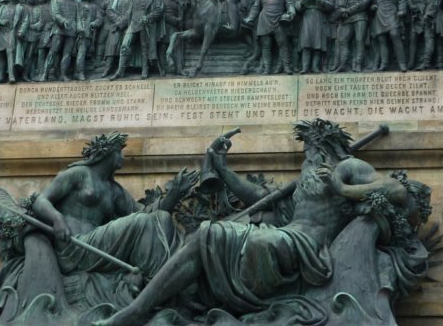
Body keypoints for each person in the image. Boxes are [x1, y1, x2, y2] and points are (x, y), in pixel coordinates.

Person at [94, 120, 417, 326]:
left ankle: (141, 308)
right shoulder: (310, 177)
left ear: (324, 146)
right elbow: (263, 199)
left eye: (309, 149)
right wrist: (222, 170)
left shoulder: (349, 166)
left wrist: (344, 189)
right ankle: (137, 310)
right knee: (205, 236)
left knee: (233, 238)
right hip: (282, 236)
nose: (306, 156)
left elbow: (396, 190)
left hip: (305, 249)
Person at [0, 132, 196, 324]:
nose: (122, 159)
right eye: (119, 153)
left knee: (160, 219)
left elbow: (147, 213)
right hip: (72, 247)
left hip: (93, 248)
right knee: (142, 223)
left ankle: (161, 288)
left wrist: (174, 195)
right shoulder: (78, 174)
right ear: (108, 153)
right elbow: (41, 201)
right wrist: (58, 219)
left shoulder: (114, 191)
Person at [243, 0, 296, 75]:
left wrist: (291, 13)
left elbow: (289, 4)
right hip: (264, 19)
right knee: (265, 46)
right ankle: (267, 68)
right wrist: (250, 18)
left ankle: (286, 67)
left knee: (283, 44)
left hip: (279, 19)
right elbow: (256, 7)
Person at [371, 0, 408, 71]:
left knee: (394, 35)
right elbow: (374, 2)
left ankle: (402, 63)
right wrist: (373, 7)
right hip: (380, 14)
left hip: (392, 13)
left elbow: (402, 0)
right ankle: (384, 64)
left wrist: (402, 10)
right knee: (381, 39)